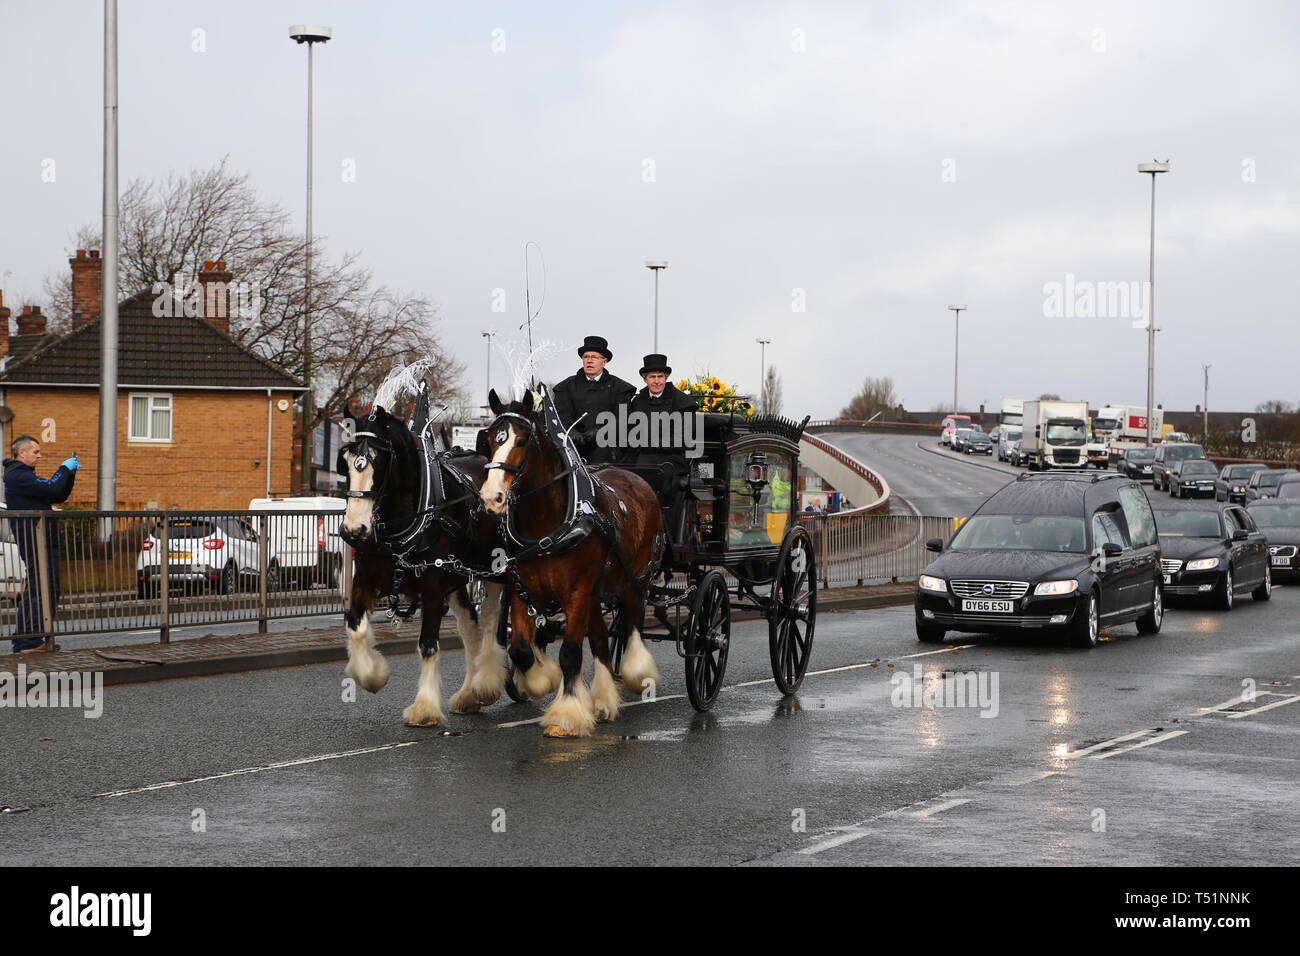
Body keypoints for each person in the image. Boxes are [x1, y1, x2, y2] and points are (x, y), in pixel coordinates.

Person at [3, 436, 78, 653]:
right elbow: (52, 488)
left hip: (41, 539)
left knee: (39, 589)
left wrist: (69, 474)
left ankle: (27, 640)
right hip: (36, 540)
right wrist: (64, 468)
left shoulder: (23, 476)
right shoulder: (18, 476)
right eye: (35, 451)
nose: (39, 455)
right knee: (45, 589)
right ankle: (30, 641)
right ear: (22, 453)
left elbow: (58, 494)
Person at [551, 335, 635, 465]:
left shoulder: (620, 388)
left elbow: (622, 419)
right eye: (586, 357)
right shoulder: (566, 387)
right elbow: (560, 416)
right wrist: (573, 433)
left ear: (604, 361)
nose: (589, 361)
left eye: (594, 357)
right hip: (571, 447)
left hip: (607, 450)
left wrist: (598, 433)